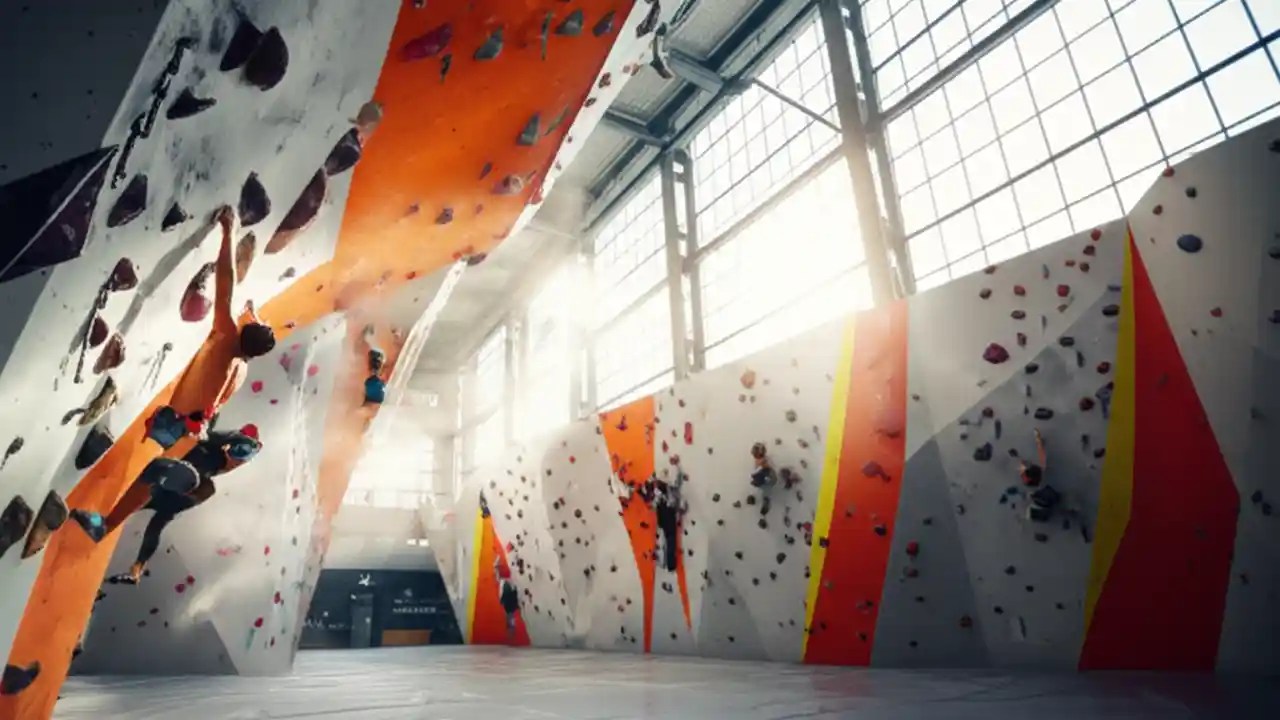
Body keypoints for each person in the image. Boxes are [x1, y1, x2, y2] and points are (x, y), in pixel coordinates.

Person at [66, 205, 275, 542]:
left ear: (243, 332)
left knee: (151, 472)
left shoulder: (225, 336)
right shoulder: (242, 367)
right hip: (195, 427)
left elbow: (226, 282)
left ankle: (105, 524)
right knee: (153, 474)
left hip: (180, 422)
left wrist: (228, 231)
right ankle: (106, 525)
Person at [74, 424, 262, 584]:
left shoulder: (207, 480)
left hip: (161, 484)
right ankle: (105, 527)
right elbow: (205, 433)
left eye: (243, 456)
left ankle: (106, 529)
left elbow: (160, 522)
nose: (237, 462)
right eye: (239, 451)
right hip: (155, 470)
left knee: (164, 482)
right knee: (155, 476)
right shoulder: (211, 447)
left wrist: (139, 564)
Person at [654, 471, 687, 572]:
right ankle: (671, 564)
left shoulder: (658, 496)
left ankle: (665, 562)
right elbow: (673, 504)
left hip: (663, 522)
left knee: (666, 542)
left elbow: (658, 509)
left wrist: (659, 522)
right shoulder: (668, 495)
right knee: (671, 542)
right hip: (669, 520)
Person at [494, 556, 520, 640]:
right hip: (508, 599)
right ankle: (511, 631)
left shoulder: (505, 582)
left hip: (508, 599)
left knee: (509, 615)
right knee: (509, 615)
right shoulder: (506, 582)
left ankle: (511, 631)